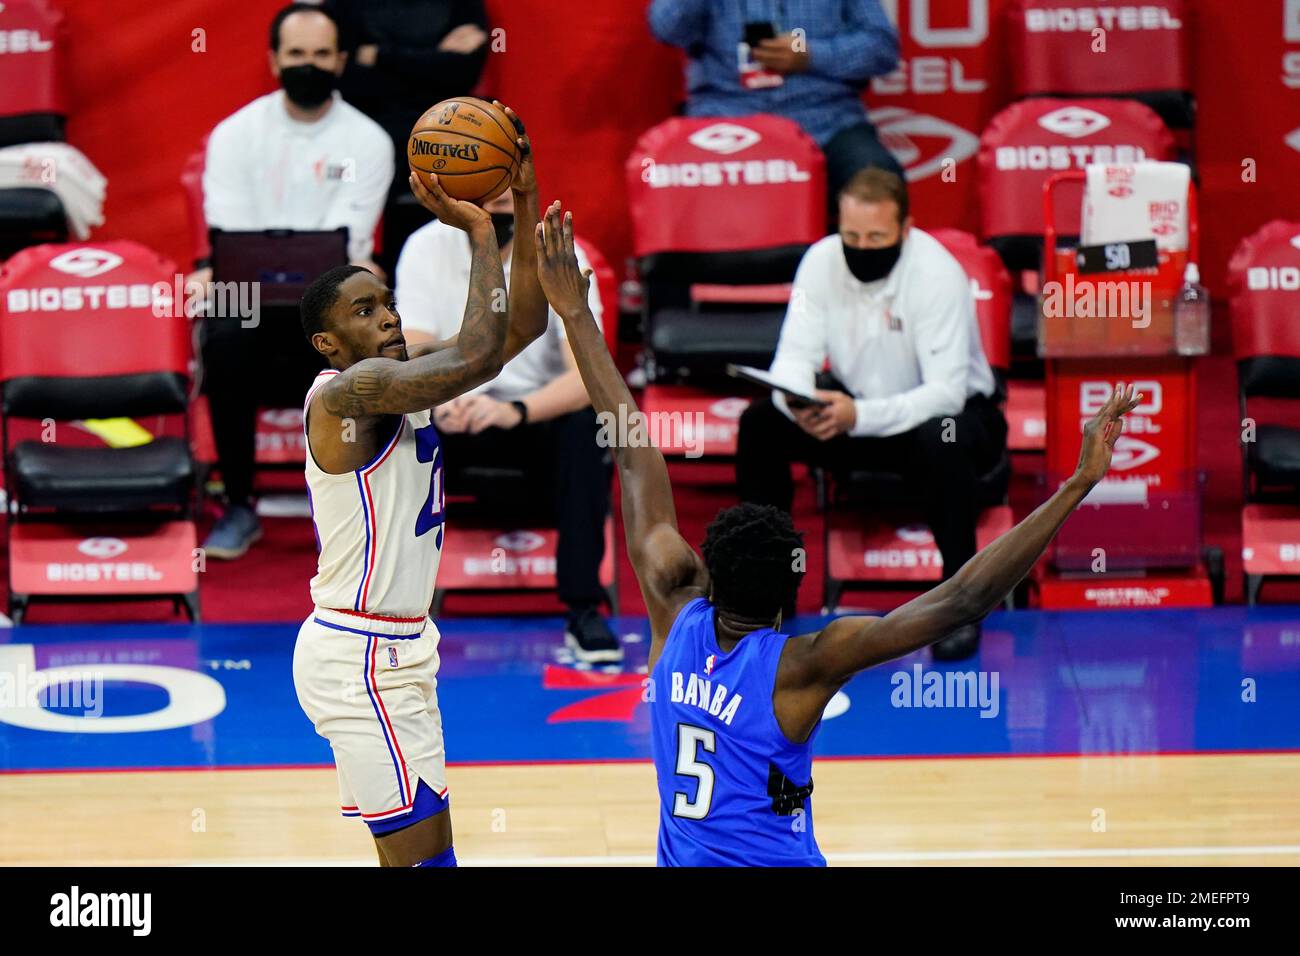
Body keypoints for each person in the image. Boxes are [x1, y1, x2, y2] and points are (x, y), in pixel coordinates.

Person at [530, 200, 1141, 867]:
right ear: (792, 585)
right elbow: (963, 599)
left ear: (707, 566)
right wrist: (1077, 485)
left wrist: (575, 313)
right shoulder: (802, 664)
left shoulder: (672, 614)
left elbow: (631, 445)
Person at [292, 107, 548, 867]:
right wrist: (476, 231)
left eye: (388, 304)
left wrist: (523, 202)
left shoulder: (405, 383)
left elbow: (518, 330)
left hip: (402, 649)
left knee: (429, 858)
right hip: (358, 655)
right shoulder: (345, 394)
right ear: (329, 343)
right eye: (364, 313)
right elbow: (476, 352)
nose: (387, 318)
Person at [735, 167, 1006, 661]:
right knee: (760, 425)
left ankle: (959, 606)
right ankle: (767, 595)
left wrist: (858, 415)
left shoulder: (936, 272)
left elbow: (946, 393)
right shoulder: (820, 262)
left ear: (906, 228)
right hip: (849, 411)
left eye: (877, 237)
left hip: (946, 418)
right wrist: (797, 404)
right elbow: (792, 359)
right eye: (851, 236)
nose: (862, 247)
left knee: (940, 436)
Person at [200, 2, 394, 560]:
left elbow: (350, 241)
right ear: (274, 60)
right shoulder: (235, 134)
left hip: (332, 301)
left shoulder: (367, 141)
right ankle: (239, 502)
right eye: (295, 54)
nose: (307, 65)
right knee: (225, 331)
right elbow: (233, 235)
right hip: (254, 301)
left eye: (319, 54)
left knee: (368, 319)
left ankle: (359, 504)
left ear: (339, 61)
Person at [395, 191, 620, 664]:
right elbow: (411, 356)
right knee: (396, 424)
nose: (496, 211)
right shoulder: (423, 247)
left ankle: (583, 610)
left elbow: (588, 377)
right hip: (453, 416)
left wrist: (516, 410)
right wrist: (448, 401)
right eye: (485, 200)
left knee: (587, 428)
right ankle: (395, 612)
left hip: (533, 420)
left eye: (505, 200)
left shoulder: (558, 253)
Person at [647, 0, 903, 214]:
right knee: (673, 189)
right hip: (726, 124)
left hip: (826, 122)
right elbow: (667, 28)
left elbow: (882, 48)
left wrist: (810, 54)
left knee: (878, 182)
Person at [334, 0, 491, 276]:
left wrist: (379, 55)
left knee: (443, 269)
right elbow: (346, 80)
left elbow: (462, 72)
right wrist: (434, 57)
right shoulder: (347, 6)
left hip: (448, 148)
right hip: (365, 149)